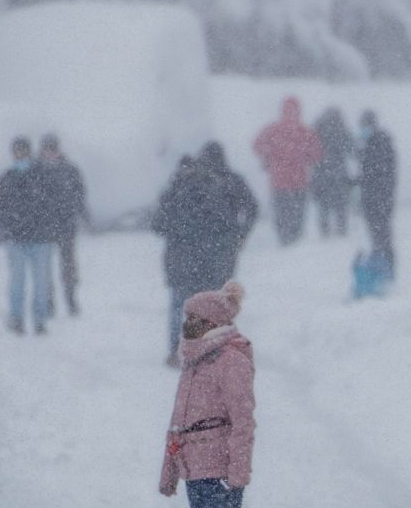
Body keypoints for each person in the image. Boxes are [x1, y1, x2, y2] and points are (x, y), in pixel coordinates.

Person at [158, 281, 255, 508]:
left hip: (220, 470)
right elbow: (177, 423)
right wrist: (169, 471)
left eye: (193, 317)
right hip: (194, 468)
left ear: (211, 322)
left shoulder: (231, 361)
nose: (186, 323)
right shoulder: (194, 360)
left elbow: (243, 422)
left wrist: (238, 471)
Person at [152, 142, 259, 366]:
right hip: (215, 257)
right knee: (210, 304)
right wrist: (239, 236)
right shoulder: (228, 182)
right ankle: (204, 348)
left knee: (179, 303)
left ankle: (176, 349)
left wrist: (177, 233)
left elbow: (157, 224)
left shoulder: (179, 185)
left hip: (180, 258)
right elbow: (250, 210)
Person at [0, 136, 59, 335]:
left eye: (23, 150)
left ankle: (39, 320)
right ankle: (16, 317)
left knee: (41, 283)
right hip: (16, 240)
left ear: (29, 151)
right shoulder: (7, 177)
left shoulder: (44, 176)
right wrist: (7, 227)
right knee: (17, 282)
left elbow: (54, 205)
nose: (20, 154)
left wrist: (47, 226)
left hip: (41, 240)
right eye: (17, 151)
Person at [253, 97, 321, 246]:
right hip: (300, 181)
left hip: (279, 182)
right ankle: (295, 241)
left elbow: (257, 145)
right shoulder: (305, 131)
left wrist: (268, 156)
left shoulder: (272, 129)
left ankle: (284, 240)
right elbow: (316, 154)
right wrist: (305, 159)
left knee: (282, 215)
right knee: (297, 215)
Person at [39, 134, 89, 317]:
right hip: (43, 228)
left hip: (66, 226)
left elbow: (80, 194)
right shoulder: (37, 171)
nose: (50, 153)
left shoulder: (70, 170)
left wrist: (82, 215)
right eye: (47, 149)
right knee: (45, 268)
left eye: (53, 149)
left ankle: (70, 299)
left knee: (68, 266)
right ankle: (48, 301)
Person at [356, 110, 398, 272]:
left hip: (379, 200)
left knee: (382, 237)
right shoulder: (372, 143)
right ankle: (382, 270)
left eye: (364, 125)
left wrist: (365, 184)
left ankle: (385, 271)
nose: (362, 129)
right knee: (379, 237)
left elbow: (378, 174)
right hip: (375, 199)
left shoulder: (378, 143)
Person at [311, 107, 356, 238]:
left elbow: (310, 150)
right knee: (340, 205)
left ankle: (324, 233)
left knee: (323, 206)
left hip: (321, 173)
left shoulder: (317, 129)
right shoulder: (342, 130)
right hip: (339, 174)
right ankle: (342, 232)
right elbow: (352, 150)